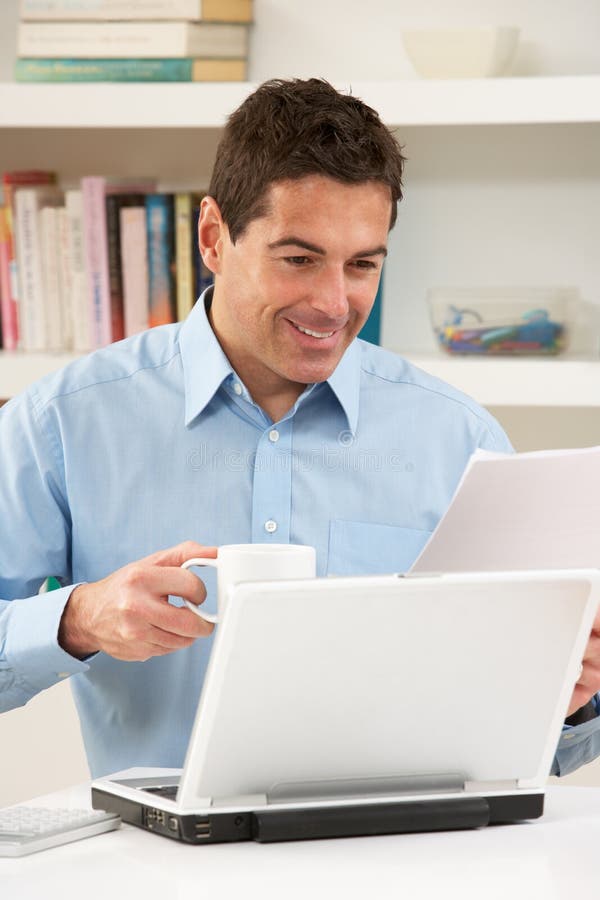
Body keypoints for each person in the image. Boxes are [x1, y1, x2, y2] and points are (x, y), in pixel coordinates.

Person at [0, 78, 598, 780]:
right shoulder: (62, 422)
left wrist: (571, 699)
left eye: (362, 265)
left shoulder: (461, 441)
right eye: (299, 259)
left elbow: (544, 743)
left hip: (410, 867)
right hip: (167, 877)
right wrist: (77, 619)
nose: (333, 303)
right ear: (214, 237)